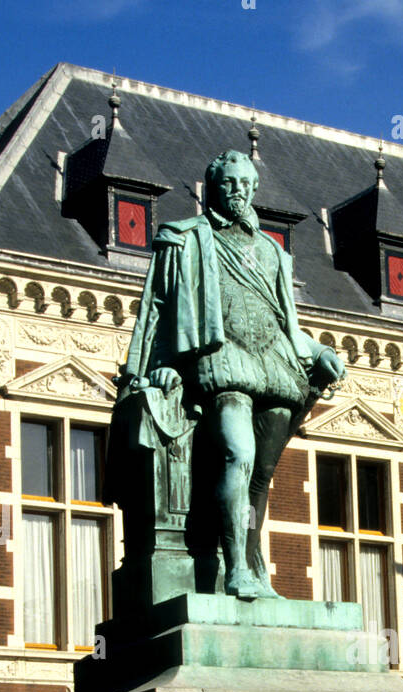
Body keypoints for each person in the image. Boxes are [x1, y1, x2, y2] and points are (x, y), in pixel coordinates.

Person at [120, 149, 345, 599]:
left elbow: (290, 324)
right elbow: (157, 311)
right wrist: (153, 367)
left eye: (244, 184)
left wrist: (320, 351)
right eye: (228, 183)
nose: (237, 191)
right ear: (211, 189)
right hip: (224, 360)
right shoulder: (183, 239)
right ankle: (234, 569)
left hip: (275, 361)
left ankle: (255, 566)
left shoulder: (274, 254)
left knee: (261, 474)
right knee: (238, 457)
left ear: (254, 189)